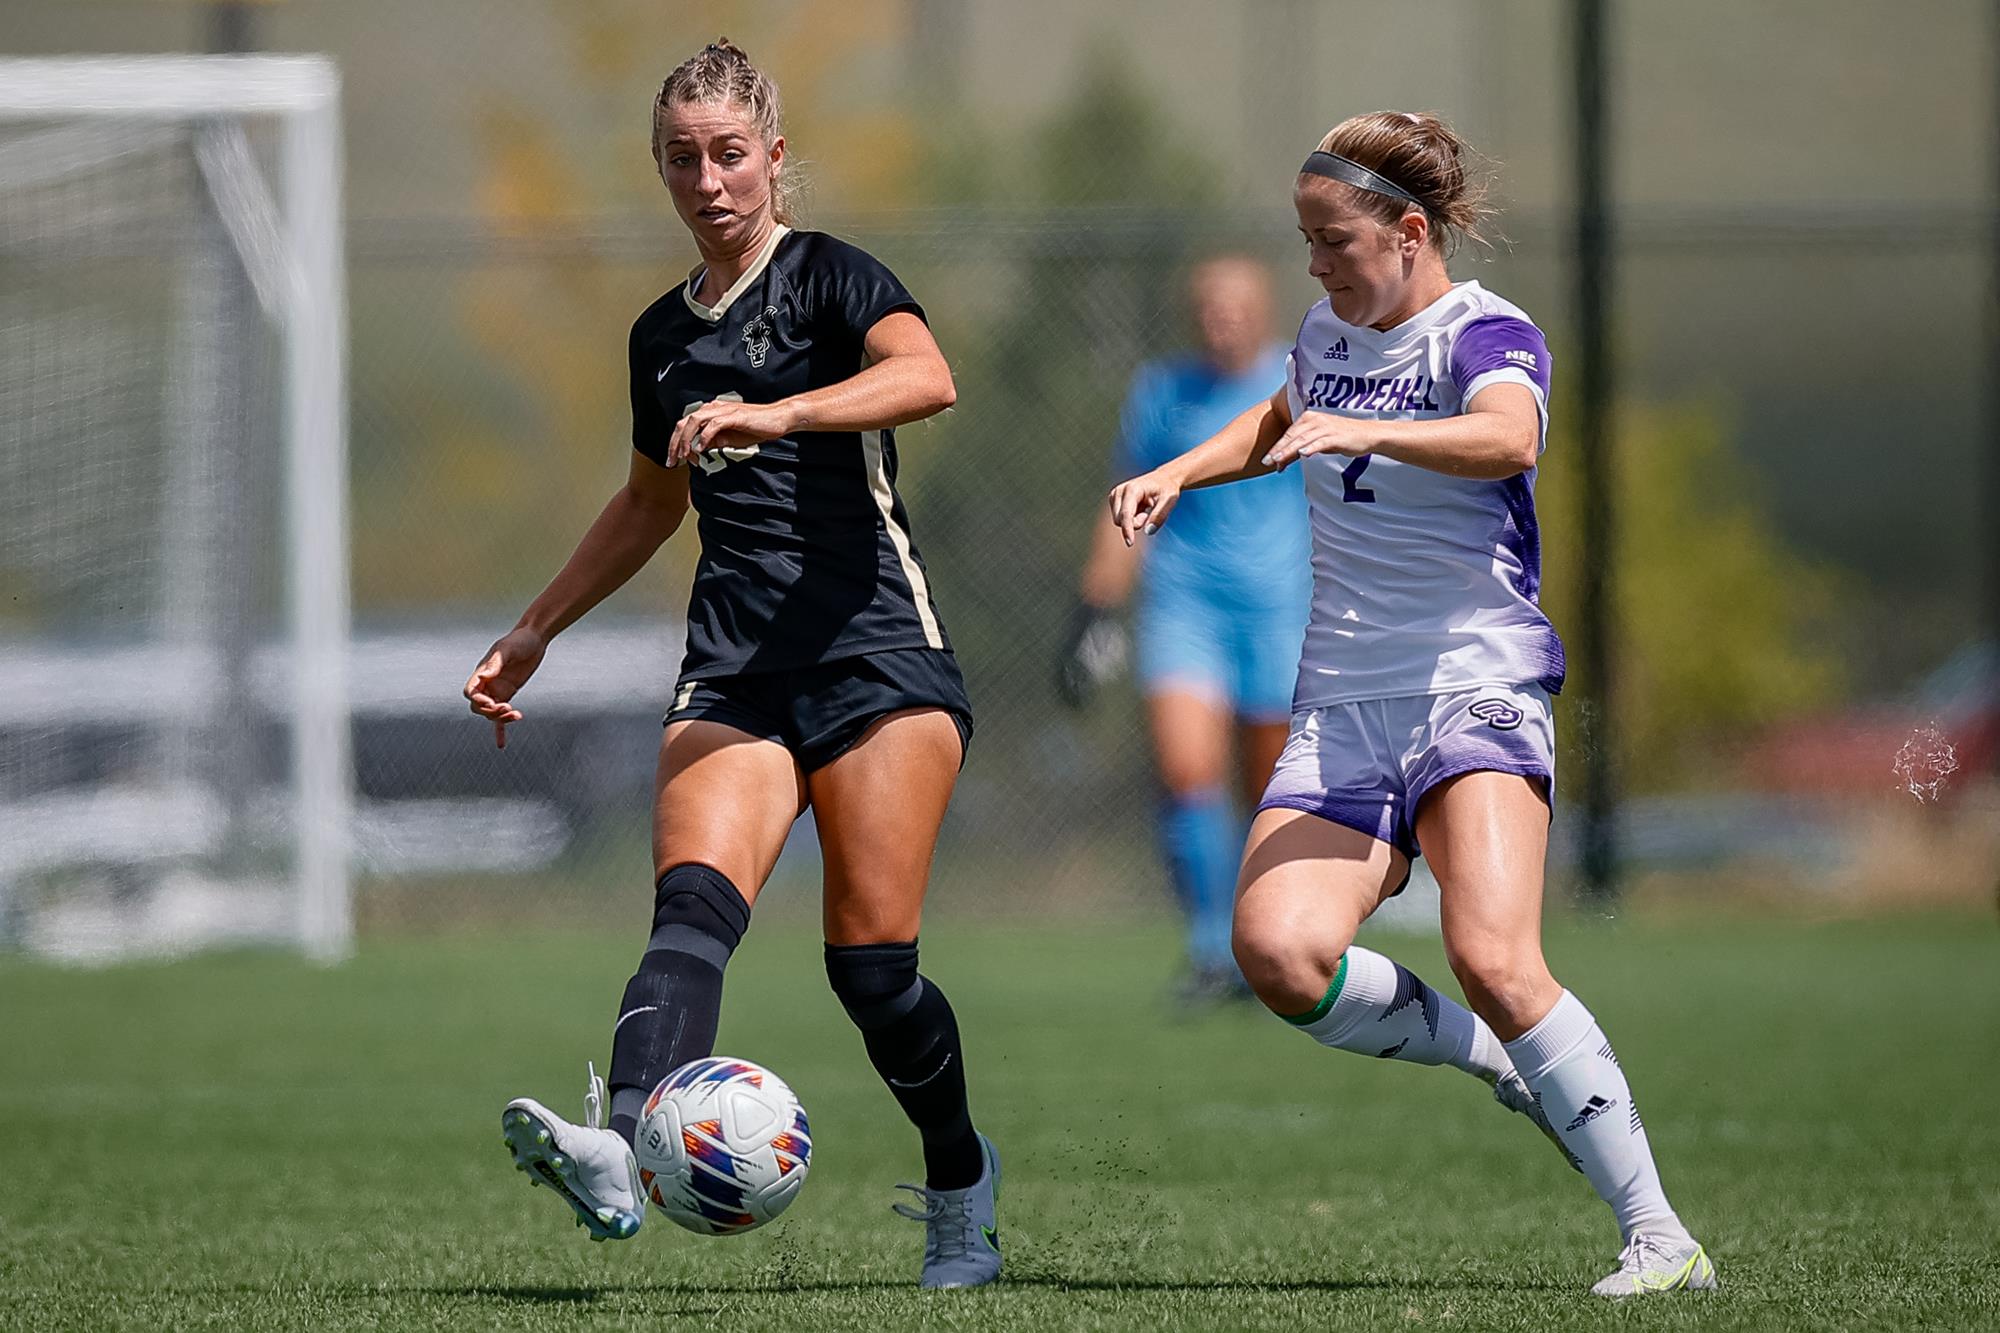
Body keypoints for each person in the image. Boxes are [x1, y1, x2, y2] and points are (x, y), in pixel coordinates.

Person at [1107, 111, 1716, 1298]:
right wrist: (1177, 471)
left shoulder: (1482, 330)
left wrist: (1369, 423)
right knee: (1278, 951)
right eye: (1303, 241)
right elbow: (1283, 413)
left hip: (1470, 682)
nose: (1317, 267)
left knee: (1491, 949)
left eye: (1332, 240)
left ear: (1408, 230)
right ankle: (1489, 1056)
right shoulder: (1325, 328)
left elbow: (1506, 435)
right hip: (1341, 698)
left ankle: (1658, 1235)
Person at [463, 40, 1000, 1290]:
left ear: (771, 158)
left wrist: (778, 410)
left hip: (877, 656)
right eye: (679, 158)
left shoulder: (829, 277)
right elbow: (650, 502)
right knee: (691, 910)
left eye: (727, 153)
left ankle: (960, 1184)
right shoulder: (659, 337)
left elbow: (927, 379)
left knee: (871, 970)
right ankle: (618, 1141)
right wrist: (538, 623)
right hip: (735, 670)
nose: (706, 179)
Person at [1057, 257, 1308, 1006]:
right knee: (1186, 770)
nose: (1220, 317)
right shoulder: (1161, 391)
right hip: (1184, 605)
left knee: (1269, 785)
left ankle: (1272, 942)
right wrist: (1093, 610)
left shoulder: (1298, 384)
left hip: (1280, 606)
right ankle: (1211, 947)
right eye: (1208, 306)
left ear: (1264, 311)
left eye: (1236, 305)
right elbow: (1128, 500)